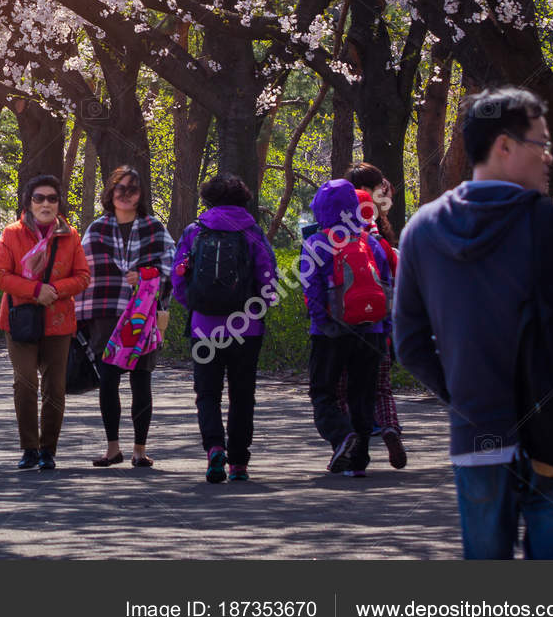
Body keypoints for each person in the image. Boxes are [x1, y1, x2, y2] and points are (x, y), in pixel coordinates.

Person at [396, 88, 553, 559]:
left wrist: (463, 396)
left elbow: (409, 345)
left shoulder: (422, 230)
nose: (549, 157)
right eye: (541, 143)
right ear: (504, 146)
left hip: (476, 438)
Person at [171, 173, 279, 483]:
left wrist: (196, 305)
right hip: (246, 328)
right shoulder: (252, 232)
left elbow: (178, 280)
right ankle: (240, 464)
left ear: (208, 200)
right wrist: (258, 308)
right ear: (244, 200)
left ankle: (214, 447)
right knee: (242, 395)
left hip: (204, 327)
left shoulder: (195, 231)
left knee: (207, 393)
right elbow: (268, 278)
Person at [0, 174, 90, 470]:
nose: (46, 203)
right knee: (24, 383)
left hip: (58, 320)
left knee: (55, 387)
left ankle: (48, 449)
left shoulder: (70, 235)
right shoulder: (12, 233)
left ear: (59, 203)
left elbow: (83, 276)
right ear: (29, 202)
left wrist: (55, 291)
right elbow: (0, 275)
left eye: (52, 198)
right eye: (39, 198)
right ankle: (29, 448)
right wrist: (35, 290)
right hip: (20, 318)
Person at [79, 166, 174, 468]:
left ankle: (140, 449)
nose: (125, 194)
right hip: (104, 312)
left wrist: (146, 275)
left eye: (132, 189)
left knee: (141, 380)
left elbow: (171, 266)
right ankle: (112, 448)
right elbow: (83, 270)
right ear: (110, 191)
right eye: (119, 188)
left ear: (141, 194)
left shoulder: (155, 228)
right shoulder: (96, 228)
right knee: (107, 381)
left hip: (141, 315)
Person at [301, 177, 394, 476]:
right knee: (362, 395)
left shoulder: (316, 242)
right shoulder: (371, 242)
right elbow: (386, 286)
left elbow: (311, 288)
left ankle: (342, 436)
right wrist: (386, 327)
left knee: (323, 393)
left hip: (331, 333)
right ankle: (359, 462)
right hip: (371, 331)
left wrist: (321, 323)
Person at [340, 162, 407, 468]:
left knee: (344, 385)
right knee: (381, 387)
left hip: (346, 321)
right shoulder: (380, 233)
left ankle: (352, 441)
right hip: (381, 318)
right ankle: (390, 426)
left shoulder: (341, 227)